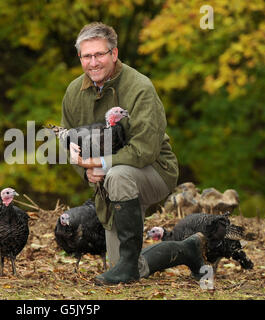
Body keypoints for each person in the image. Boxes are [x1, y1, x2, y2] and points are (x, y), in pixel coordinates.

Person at [60, 22, 207, 285]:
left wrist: (98, 164)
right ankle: (188, 250)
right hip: (111, 180)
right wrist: (85, 171)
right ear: (80, 58)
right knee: (129, 266)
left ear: (114, 54)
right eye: (86, 56)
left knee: (116, 175)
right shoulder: (73, 92)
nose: (93, 62)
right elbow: (69, 142)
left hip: (155, 170)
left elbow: (145, 150)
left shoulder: (140, 87)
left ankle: (128, 263)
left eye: (99, 54)